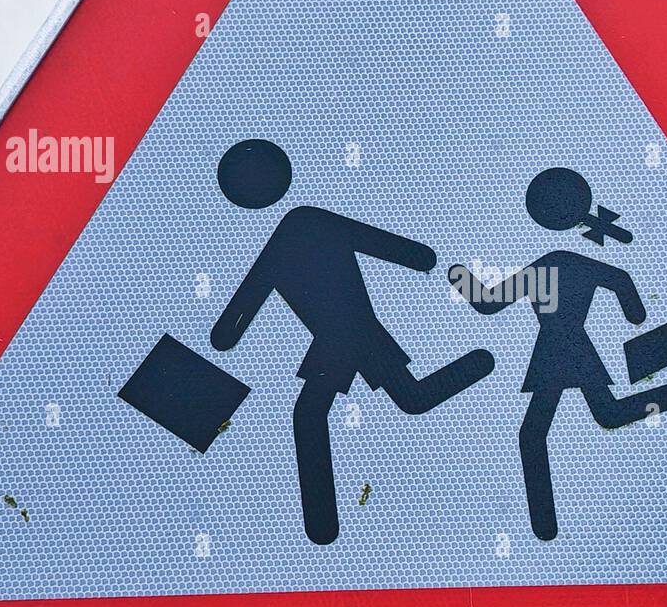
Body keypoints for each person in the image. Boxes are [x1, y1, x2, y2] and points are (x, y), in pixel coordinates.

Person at [211, 139, 494, 545]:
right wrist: (421, 258)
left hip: (348, 332)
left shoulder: (294, 231)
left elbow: (241, 309)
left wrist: (226, 335)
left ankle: (322, 525)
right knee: (397, 400)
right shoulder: (304, 224)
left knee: (316, 412)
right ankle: (478, 364)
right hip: (349, 332)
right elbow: (389, 247)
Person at [448, 168, 667, 541]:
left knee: (536, 434)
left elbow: (489, 303)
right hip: (568, 349)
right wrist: (634, 313)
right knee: (597, 415)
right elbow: (621, 280)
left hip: (561, 350)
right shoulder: (570, 263)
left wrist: (460, 276)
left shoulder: (549, 265)